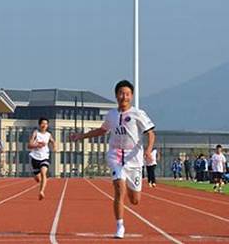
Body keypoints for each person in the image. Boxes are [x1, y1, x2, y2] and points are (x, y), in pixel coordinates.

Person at [70, 80, 155, 239]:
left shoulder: (138, 114)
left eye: (127, 94)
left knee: (134, 199)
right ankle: (120, 226)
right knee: (118, 190)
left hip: (134, 158)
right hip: (115, 155)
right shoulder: (111, 115)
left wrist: (149, 150)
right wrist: (81, 136)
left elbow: (150, 133)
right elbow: (102, 130)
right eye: (121, 93)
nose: (124, 97)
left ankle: (130, 186)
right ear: (116, 95)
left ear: (132, 96)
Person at [28, 117, 57, 201]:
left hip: (44, 157)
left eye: (46, 124)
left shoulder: (48, 134)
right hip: (35, 157)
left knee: (44, 173)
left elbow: (53, 141)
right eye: (42, 123)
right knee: (38, 179)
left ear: (47, 125)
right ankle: (41, 184)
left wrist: (54, 147)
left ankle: (41, 191)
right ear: (39, 125)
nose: (44, 125)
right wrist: (37, 145)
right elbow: (29, 145)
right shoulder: (35, 133)